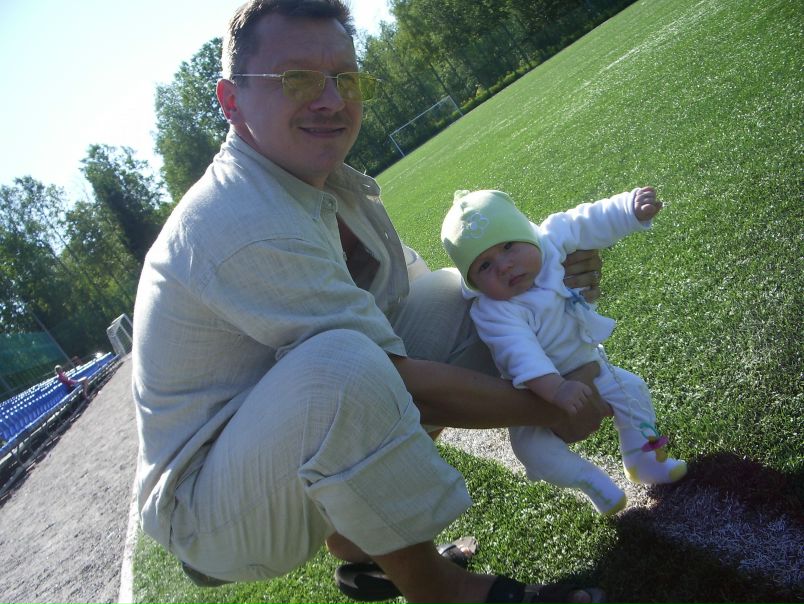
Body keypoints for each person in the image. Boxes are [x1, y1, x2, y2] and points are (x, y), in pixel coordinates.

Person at [131, 2, 610, 602]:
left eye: (346, 78)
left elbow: (420, 303)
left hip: (279, 437)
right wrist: (555, 406)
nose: (332, 100)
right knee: (347, 364)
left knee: (457, 302)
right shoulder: (238, 218)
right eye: (298, 79)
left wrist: (545, 276)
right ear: (231, 101)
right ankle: (446, 593)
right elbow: (392, 377)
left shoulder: (326, 184)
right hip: (210, 509)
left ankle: (361, 545)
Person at [441, 187, 687, 516]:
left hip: (589, 366)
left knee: (633, 391)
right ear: (472, 282)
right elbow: (520, 353)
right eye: (484, 265)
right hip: (533, 395)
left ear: (525, 233)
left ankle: (642, 460)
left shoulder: (552, 241)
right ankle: (588, 481)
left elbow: (588, 219)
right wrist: (556, 389)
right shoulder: (492, 310)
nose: (504, 266)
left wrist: (630, 208)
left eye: (509, 246)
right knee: (531, 449)